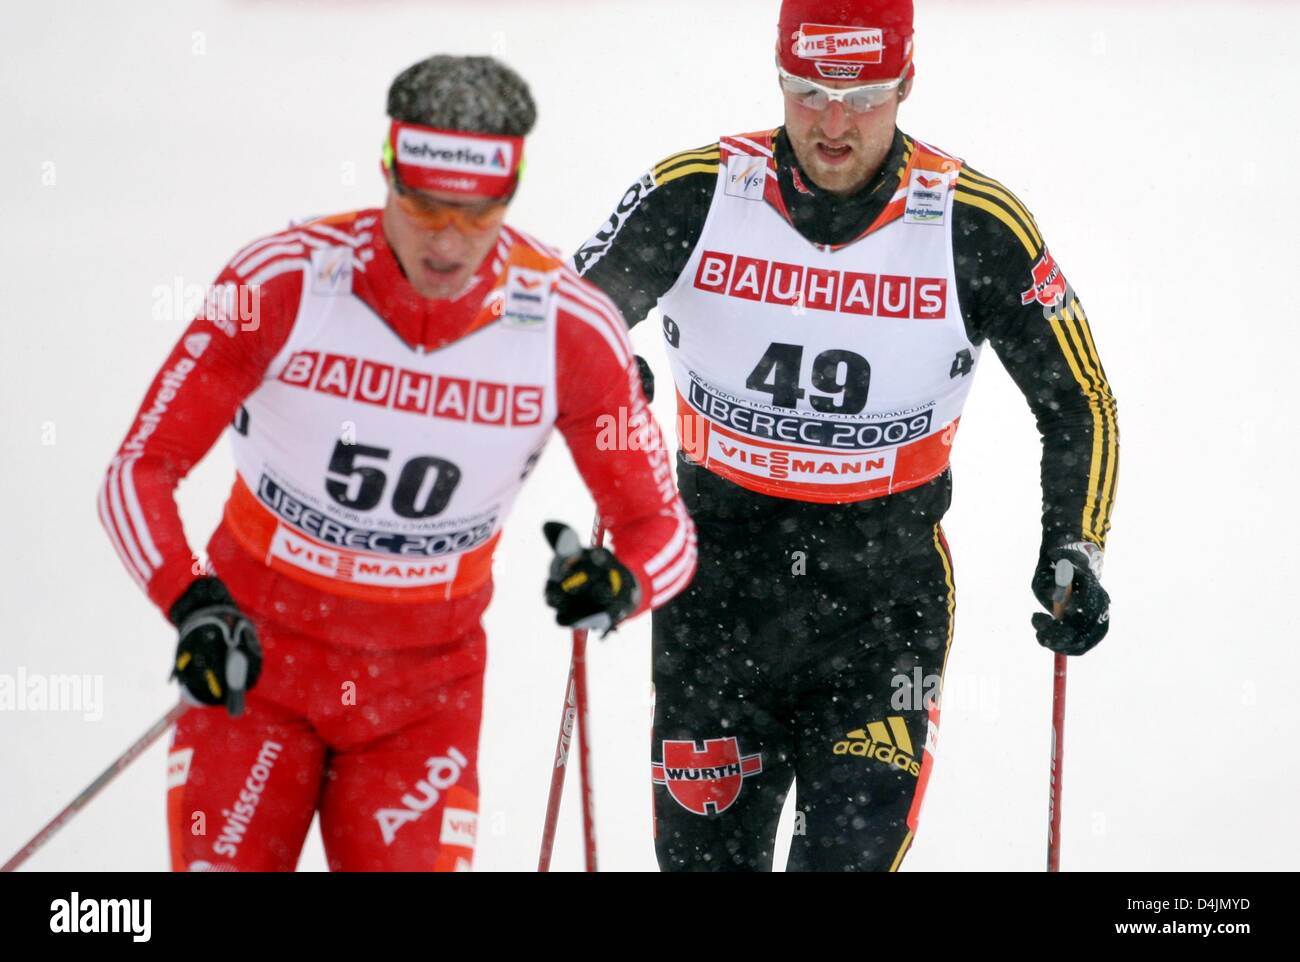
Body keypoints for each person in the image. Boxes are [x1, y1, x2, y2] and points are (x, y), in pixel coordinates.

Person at [98, 54, 696, 872]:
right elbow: (140, 467)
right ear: (388, 176)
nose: (448, 242)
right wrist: (193, 601)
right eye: (423, 208)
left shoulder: (567, 325)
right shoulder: (284, 283)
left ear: (508, 196)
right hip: (257, 663)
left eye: (478, 215)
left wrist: (620, 582)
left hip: (423, 698)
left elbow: (660, 526)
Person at [574, 0, 1118, 871]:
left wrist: (1075, 544)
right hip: (715, 603)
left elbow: (1079, 399)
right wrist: (600, 370)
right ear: (779, 77)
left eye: (862, 94)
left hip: (880, 613)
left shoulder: (972, 222)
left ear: (906, 82)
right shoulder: (701, 192)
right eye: (808, 91)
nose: (832, 123)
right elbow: (562, 325)